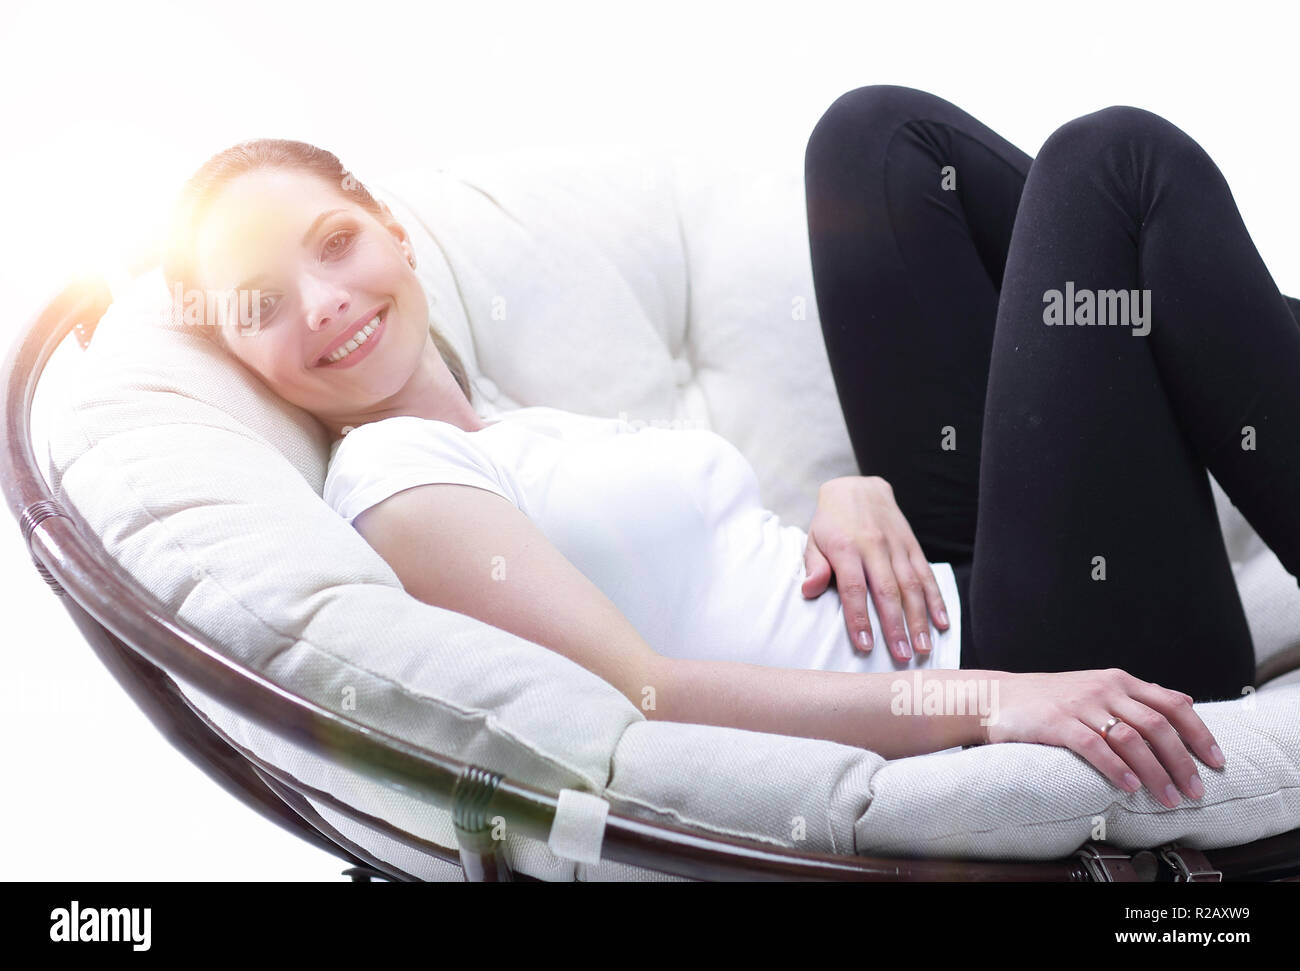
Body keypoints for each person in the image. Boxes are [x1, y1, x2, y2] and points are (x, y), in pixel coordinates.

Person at [162, 95, 1267, 811]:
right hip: (1040, 647)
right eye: (260, 303)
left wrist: (848, 490)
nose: (323, 304)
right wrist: (991, 702)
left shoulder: (514, 424)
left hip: (958, 589)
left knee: (875, 143)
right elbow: (644, 696)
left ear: (392, 233)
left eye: (336, 243)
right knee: (1111, 163)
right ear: (241, 356)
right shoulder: (393, 480)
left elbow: (724, 569)